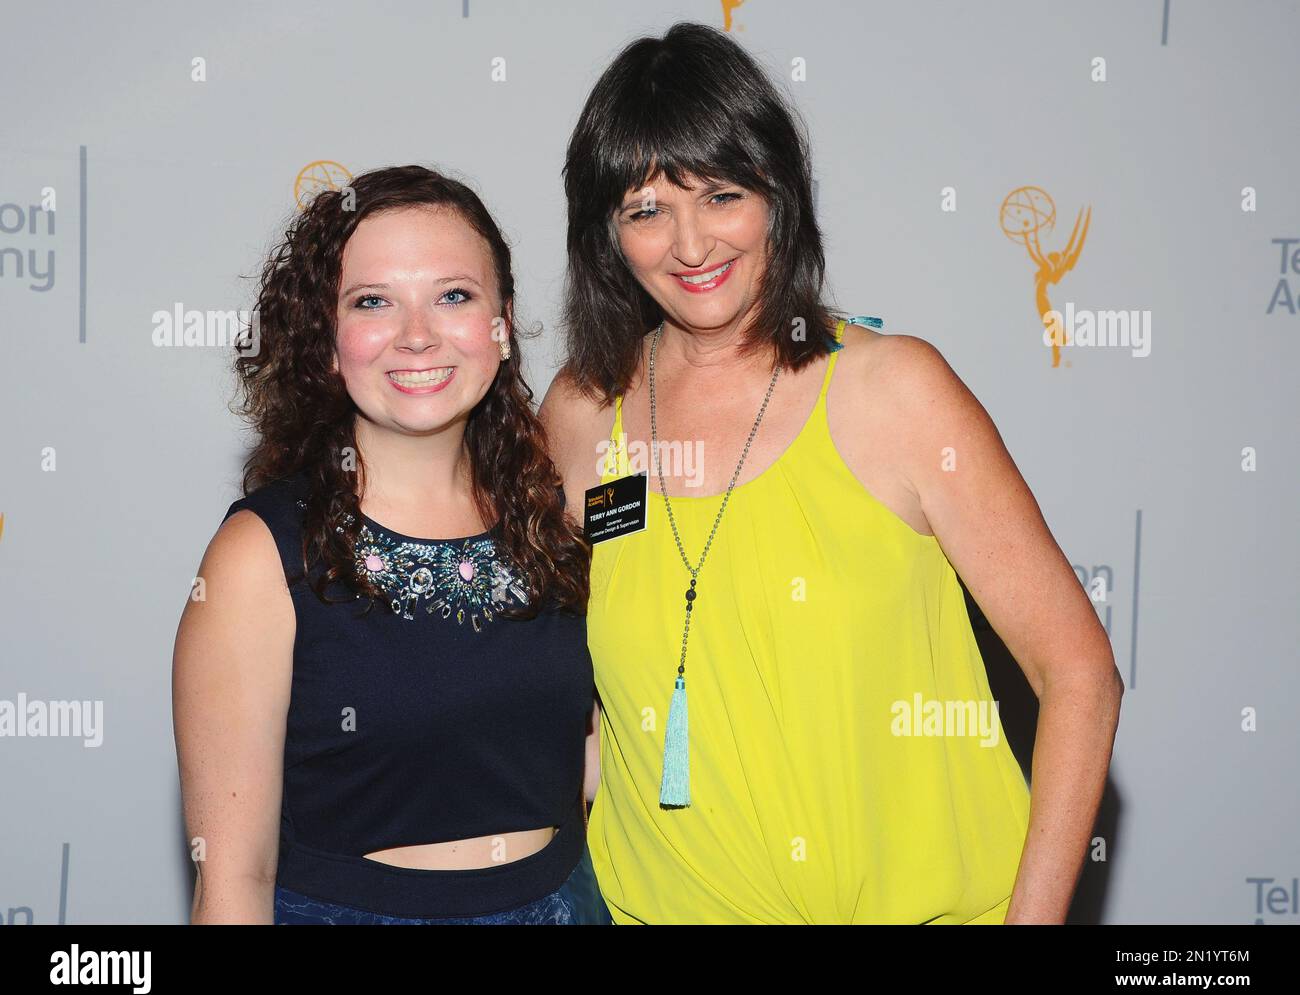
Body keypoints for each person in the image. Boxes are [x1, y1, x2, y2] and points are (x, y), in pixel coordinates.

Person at [540, 23, 1122, 924]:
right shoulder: (580, 415)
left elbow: (1079, 672)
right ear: (607, 234)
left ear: (779, 194)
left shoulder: (895, 392)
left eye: (722, 195)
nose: (690, 244)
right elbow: (550, 681)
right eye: (646, 210)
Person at [173, 165, 609, 924]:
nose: (417, 335)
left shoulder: (554, 517)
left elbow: (591, 760)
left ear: (501, 324)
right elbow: (232, 882)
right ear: (327, 341)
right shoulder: (261, 557)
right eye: (373, 301)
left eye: (454, 296)